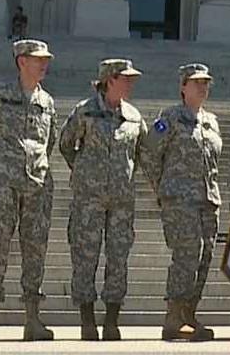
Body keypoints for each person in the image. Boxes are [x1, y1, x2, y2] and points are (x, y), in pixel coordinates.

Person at [0, 40, 57, 341]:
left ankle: (33, 320)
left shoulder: (48, 101)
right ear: (21, 61)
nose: (44, 64)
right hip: (2, 184)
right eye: (37, 59)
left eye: (46, 59)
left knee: (35, 250)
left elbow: (50, 142)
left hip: (37, 185)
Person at [59, 59, 148, 341]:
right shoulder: (84, 112)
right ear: (110, 80)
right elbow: (66, 144)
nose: (131, 83)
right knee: (85, 256)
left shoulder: (134, 117)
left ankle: (111, 319)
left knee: (118, 258)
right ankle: (87, 319)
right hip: (89, 199)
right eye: (125, 78)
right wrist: (85, 173)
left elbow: (142, 152)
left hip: (122, 201)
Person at [142, 63, 222, 341]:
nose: (203, 87)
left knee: (204, 256)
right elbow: (150, 153)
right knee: (187, 254)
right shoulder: (171, 117)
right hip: (180, 200)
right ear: (183, 87)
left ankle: (190, 313)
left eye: (206, 83)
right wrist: (164, 187)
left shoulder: (210, 121)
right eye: (197, 82)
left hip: (207, 200)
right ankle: (174, 315)